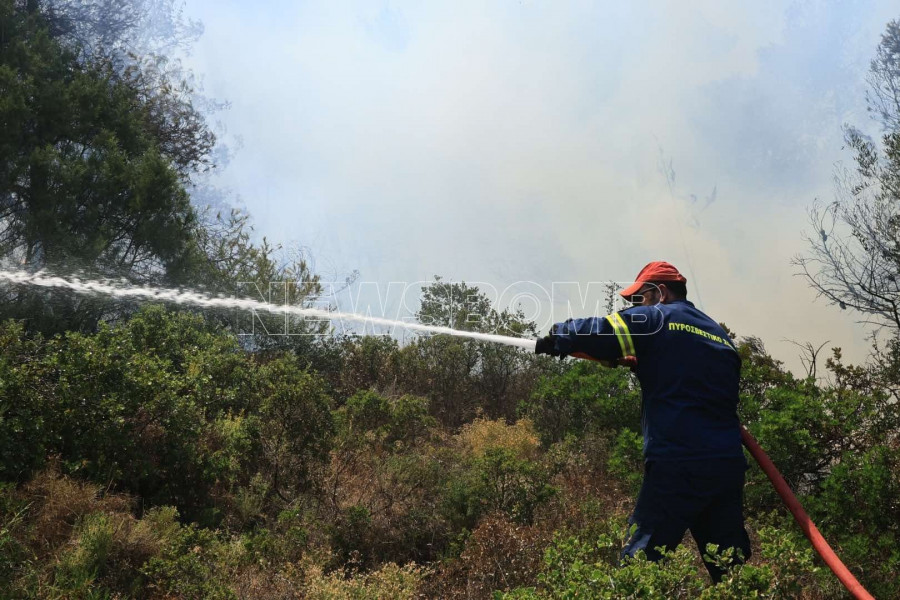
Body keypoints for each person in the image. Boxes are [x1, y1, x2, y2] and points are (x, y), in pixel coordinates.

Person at [534, 261, 751, 582]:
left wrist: (560, 334)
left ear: (660, 293)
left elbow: (603, 329)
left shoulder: (658, 316)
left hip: (678, 463)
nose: (637, 306)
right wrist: (641, 362)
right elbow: (684, 373)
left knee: (639, 566)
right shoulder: (717, 334)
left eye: (640, 299)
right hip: (725, 466)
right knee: (731, 569)